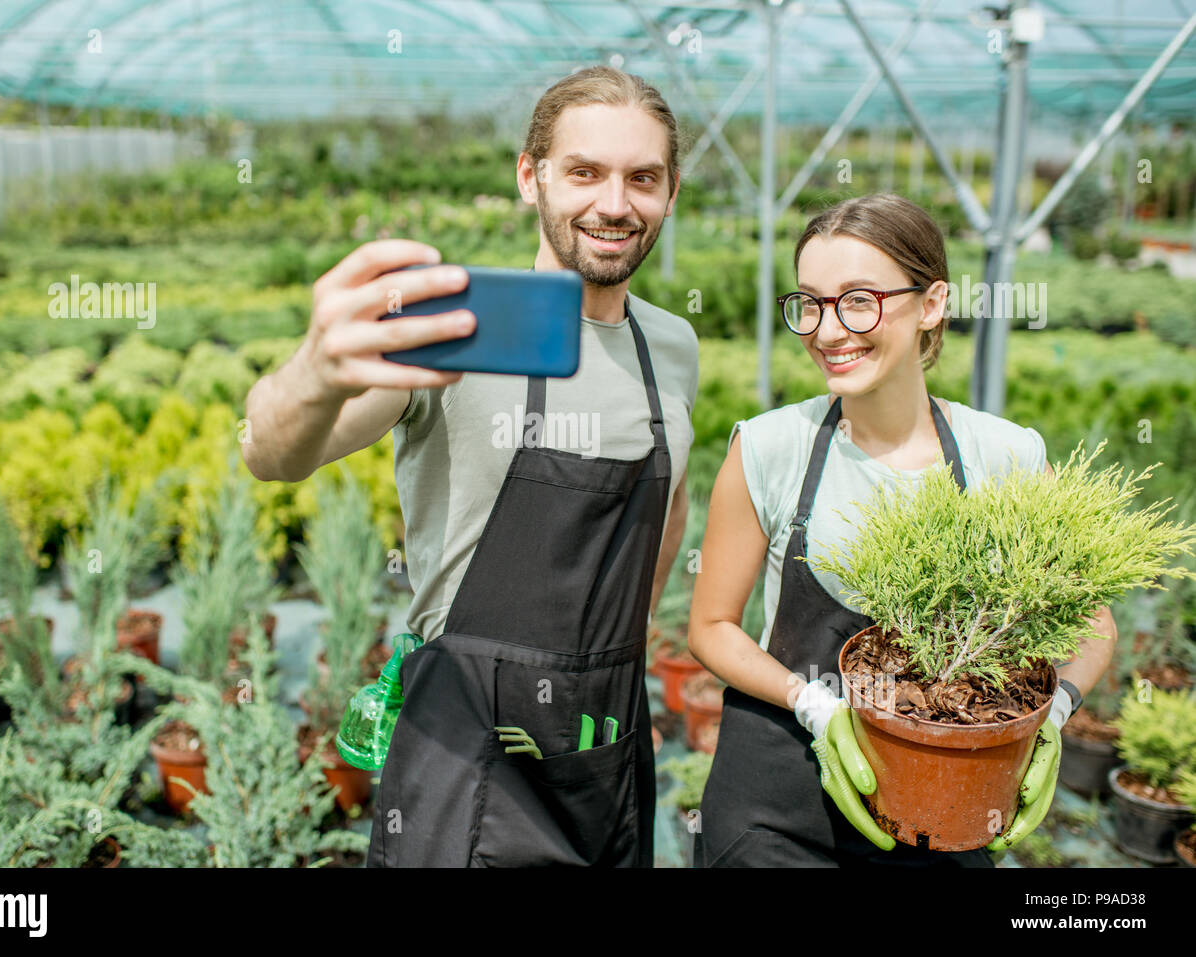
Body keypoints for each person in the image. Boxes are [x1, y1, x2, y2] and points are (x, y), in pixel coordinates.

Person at [242, 67, 699, 867]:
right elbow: (273, 453)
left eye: (643, 178)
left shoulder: (672, 348)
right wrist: (314, 371)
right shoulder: (454, 329)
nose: (615, 204)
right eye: (585, 172)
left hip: (604, 751)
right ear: (532, 176)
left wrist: (615, 656)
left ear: (670, 191)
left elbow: (672, 506)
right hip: (464, 749)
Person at [688, 193, 1116, 868]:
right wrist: (814, 706)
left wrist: (1053, 715)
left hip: (945, 809)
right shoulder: (772, 447)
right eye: (811, 302)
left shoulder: (1003, 456)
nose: (828, 331)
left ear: (933, 302)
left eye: (859, 300)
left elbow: (1092, 623)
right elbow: (711, 625)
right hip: (775, 811)